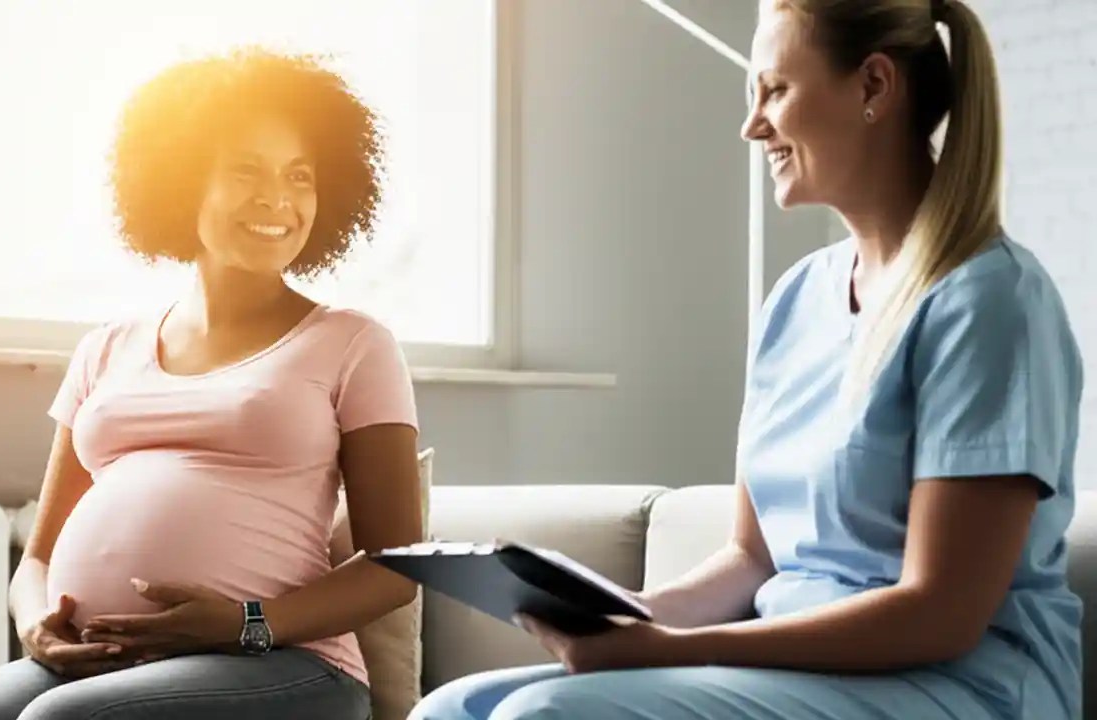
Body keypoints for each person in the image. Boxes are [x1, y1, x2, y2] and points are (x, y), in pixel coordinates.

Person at [410, 0, 1083, 718]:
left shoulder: (990, 302)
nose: (752, 124)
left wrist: (668, 651)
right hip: (802, 673)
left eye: (775, 90)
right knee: (456, 709)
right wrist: (633, 612)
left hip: (961, 685)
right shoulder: (797, 299)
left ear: (874, 87)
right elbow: (753, 559)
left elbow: (939, 614)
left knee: (540, 717)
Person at [0, 48, 421, 720]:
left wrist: (246, 623)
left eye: (300, 176)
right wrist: (35, 627)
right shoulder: (106, 348)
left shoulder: (353, 342)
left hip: (284, 666)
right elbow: (39, 558)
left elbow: (400, 564)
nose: (277, 199)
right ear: (181, 182)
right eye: (246, 171)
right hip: (107, 665)